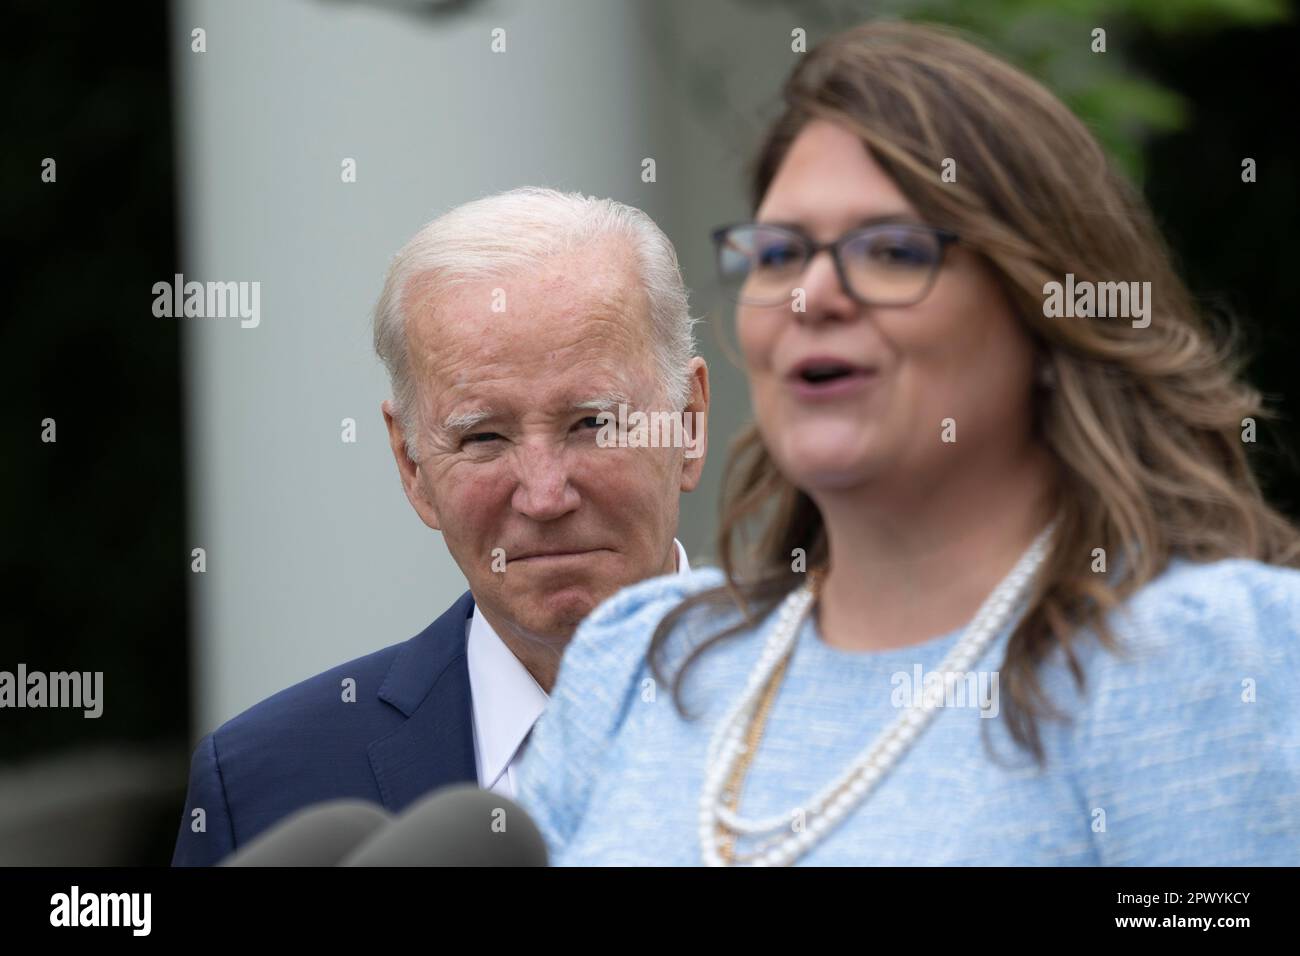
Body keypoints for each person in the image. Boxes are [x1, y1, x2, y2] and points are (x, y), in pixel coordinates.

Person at [515, 22, 1300, 866]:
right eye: (778, 253)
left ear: (1044, 309)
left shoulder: (1196, 651)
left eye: (889, 251)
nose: (812, 295)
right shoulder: (639, 659)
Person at [171, 188, 710, 865]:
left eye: (594, 424)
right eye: (484, 436)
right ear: (411, 464)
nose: (544, 496)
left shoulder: (854, 721)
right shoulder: (266, 783)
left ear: (688, 425)